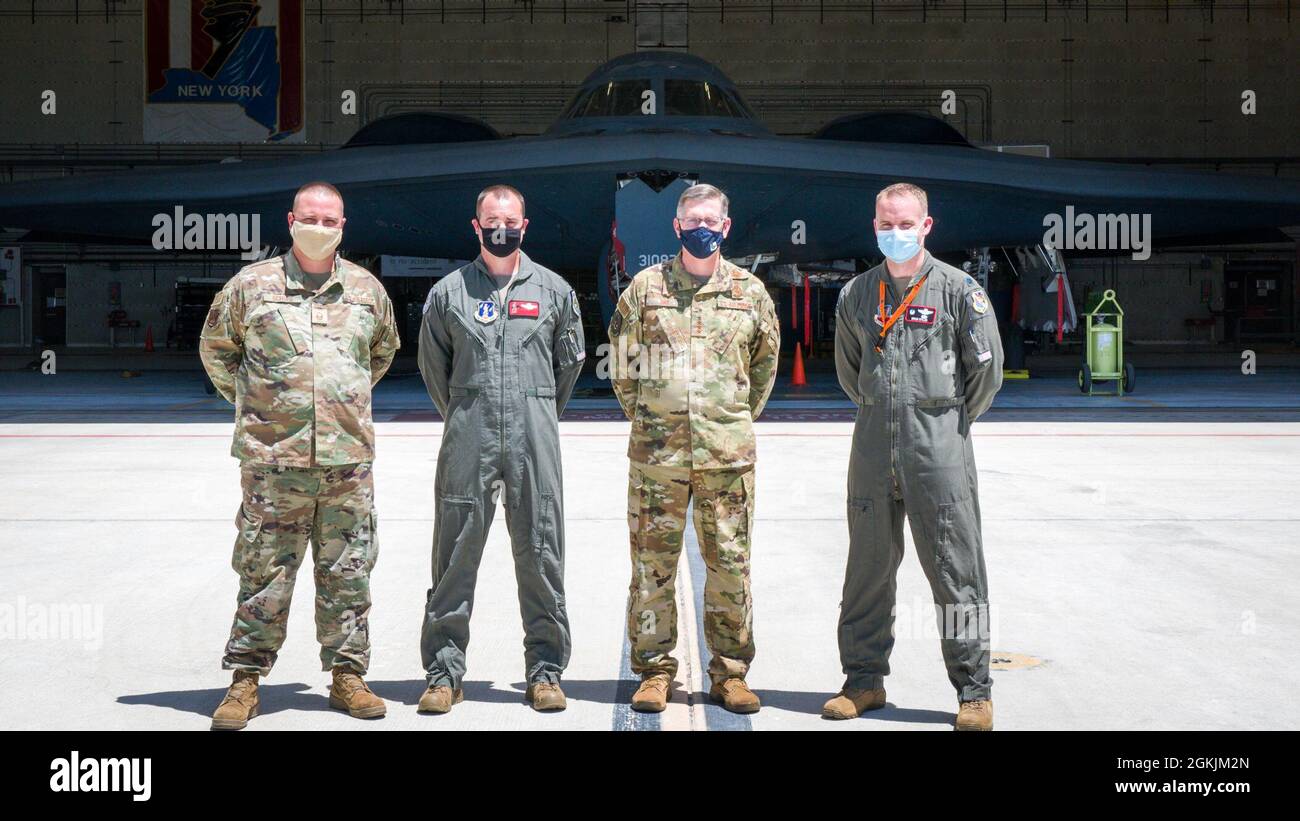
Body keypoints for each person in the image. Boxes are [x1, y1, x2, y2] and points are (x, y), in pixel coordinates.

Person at [200, 181, 400, 730]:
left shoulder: (365, 290)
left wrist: (338, 403)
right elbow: (218, 352)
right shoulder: (251, 286)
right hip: (272, 465)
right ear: (291, 221)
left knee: (348, 573)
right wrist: (262, 408)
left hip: (346, 463)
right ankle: (244, 679)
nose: (320, 225)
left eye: (330, 220)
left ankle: (348, 677)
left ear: (343, 227)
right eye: (310, 217)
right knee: (263, 572)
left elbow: (379, 355)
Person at [826, 182, 1003, 730]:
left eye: (905, 224)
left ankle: (973, 692)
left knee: (955, 570)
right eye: (886, 224)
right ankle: (862, 681)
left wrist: (941, 422)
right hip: (873, 446)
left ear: (926, 226)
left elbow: (986, 374)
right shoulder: (857, 293)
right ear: (873, 225)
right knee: (868, 571)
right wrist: (886, 413)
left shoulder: (958, 290)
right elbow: (850, 373)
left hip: (938, 452)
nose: (895, 233)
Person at [607, 183, 780, 714]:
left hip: (726, 460)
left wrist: (726, 421)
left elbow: (763, 368)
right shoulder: (645, 289)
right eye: (691, 220)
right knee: (651, 568)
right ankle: (655, 671)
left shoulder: (750, 293)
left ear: (726, 228)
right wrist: (654, 419)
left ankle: (730, 673)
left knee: (730, 566)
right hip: (657, 461)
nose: (701, 228)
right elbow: (622, 365)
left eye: (711, 220)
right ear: (677, 228)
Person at [416, 184, 585, 713]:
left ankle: (545, 671)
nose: (501, 228)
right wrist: (469, 413)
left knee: (540, 552)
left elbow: (569, 366)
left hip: (535, 439)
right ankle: (444, 674)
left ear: (524, 226)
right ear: (476, 225)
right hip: (469, 437)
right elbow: (433, 369)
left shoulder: (556, 292)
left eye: (510, 220)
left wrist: (533, 412)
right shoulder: (448, 294)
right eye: (491, 219)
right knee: (455, 554)